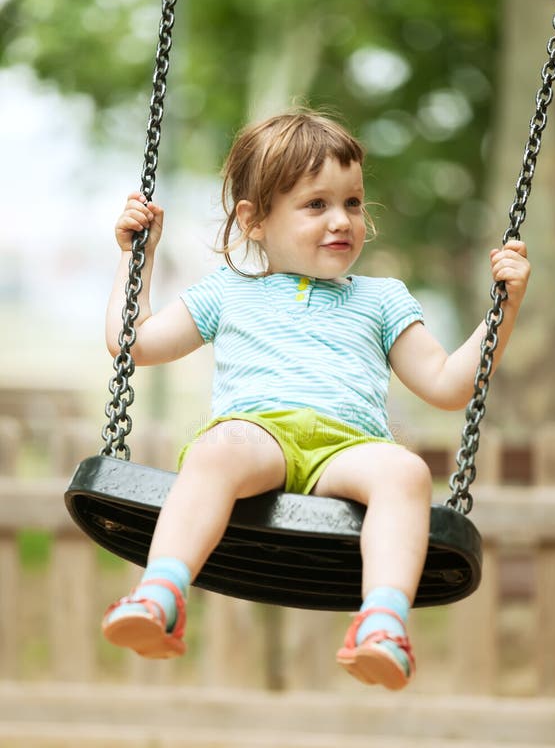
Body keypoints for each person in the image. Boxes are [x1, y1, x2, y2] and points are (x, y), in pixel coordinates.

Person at [102, 109, 530, 690]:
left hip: (348, 449)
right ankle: (162, 595)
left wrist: (503, 309)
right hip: (258, 435)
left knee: (405, 470)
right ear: (254, 221)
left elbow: (450, 385)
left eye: (352, 203)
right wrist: (138, 257)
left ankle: (381, 624)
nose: (342, 220)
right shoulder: (227, 291)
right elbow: (135, 345)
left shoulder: (381, 300)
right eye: (316, 205)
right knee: (218, 448)